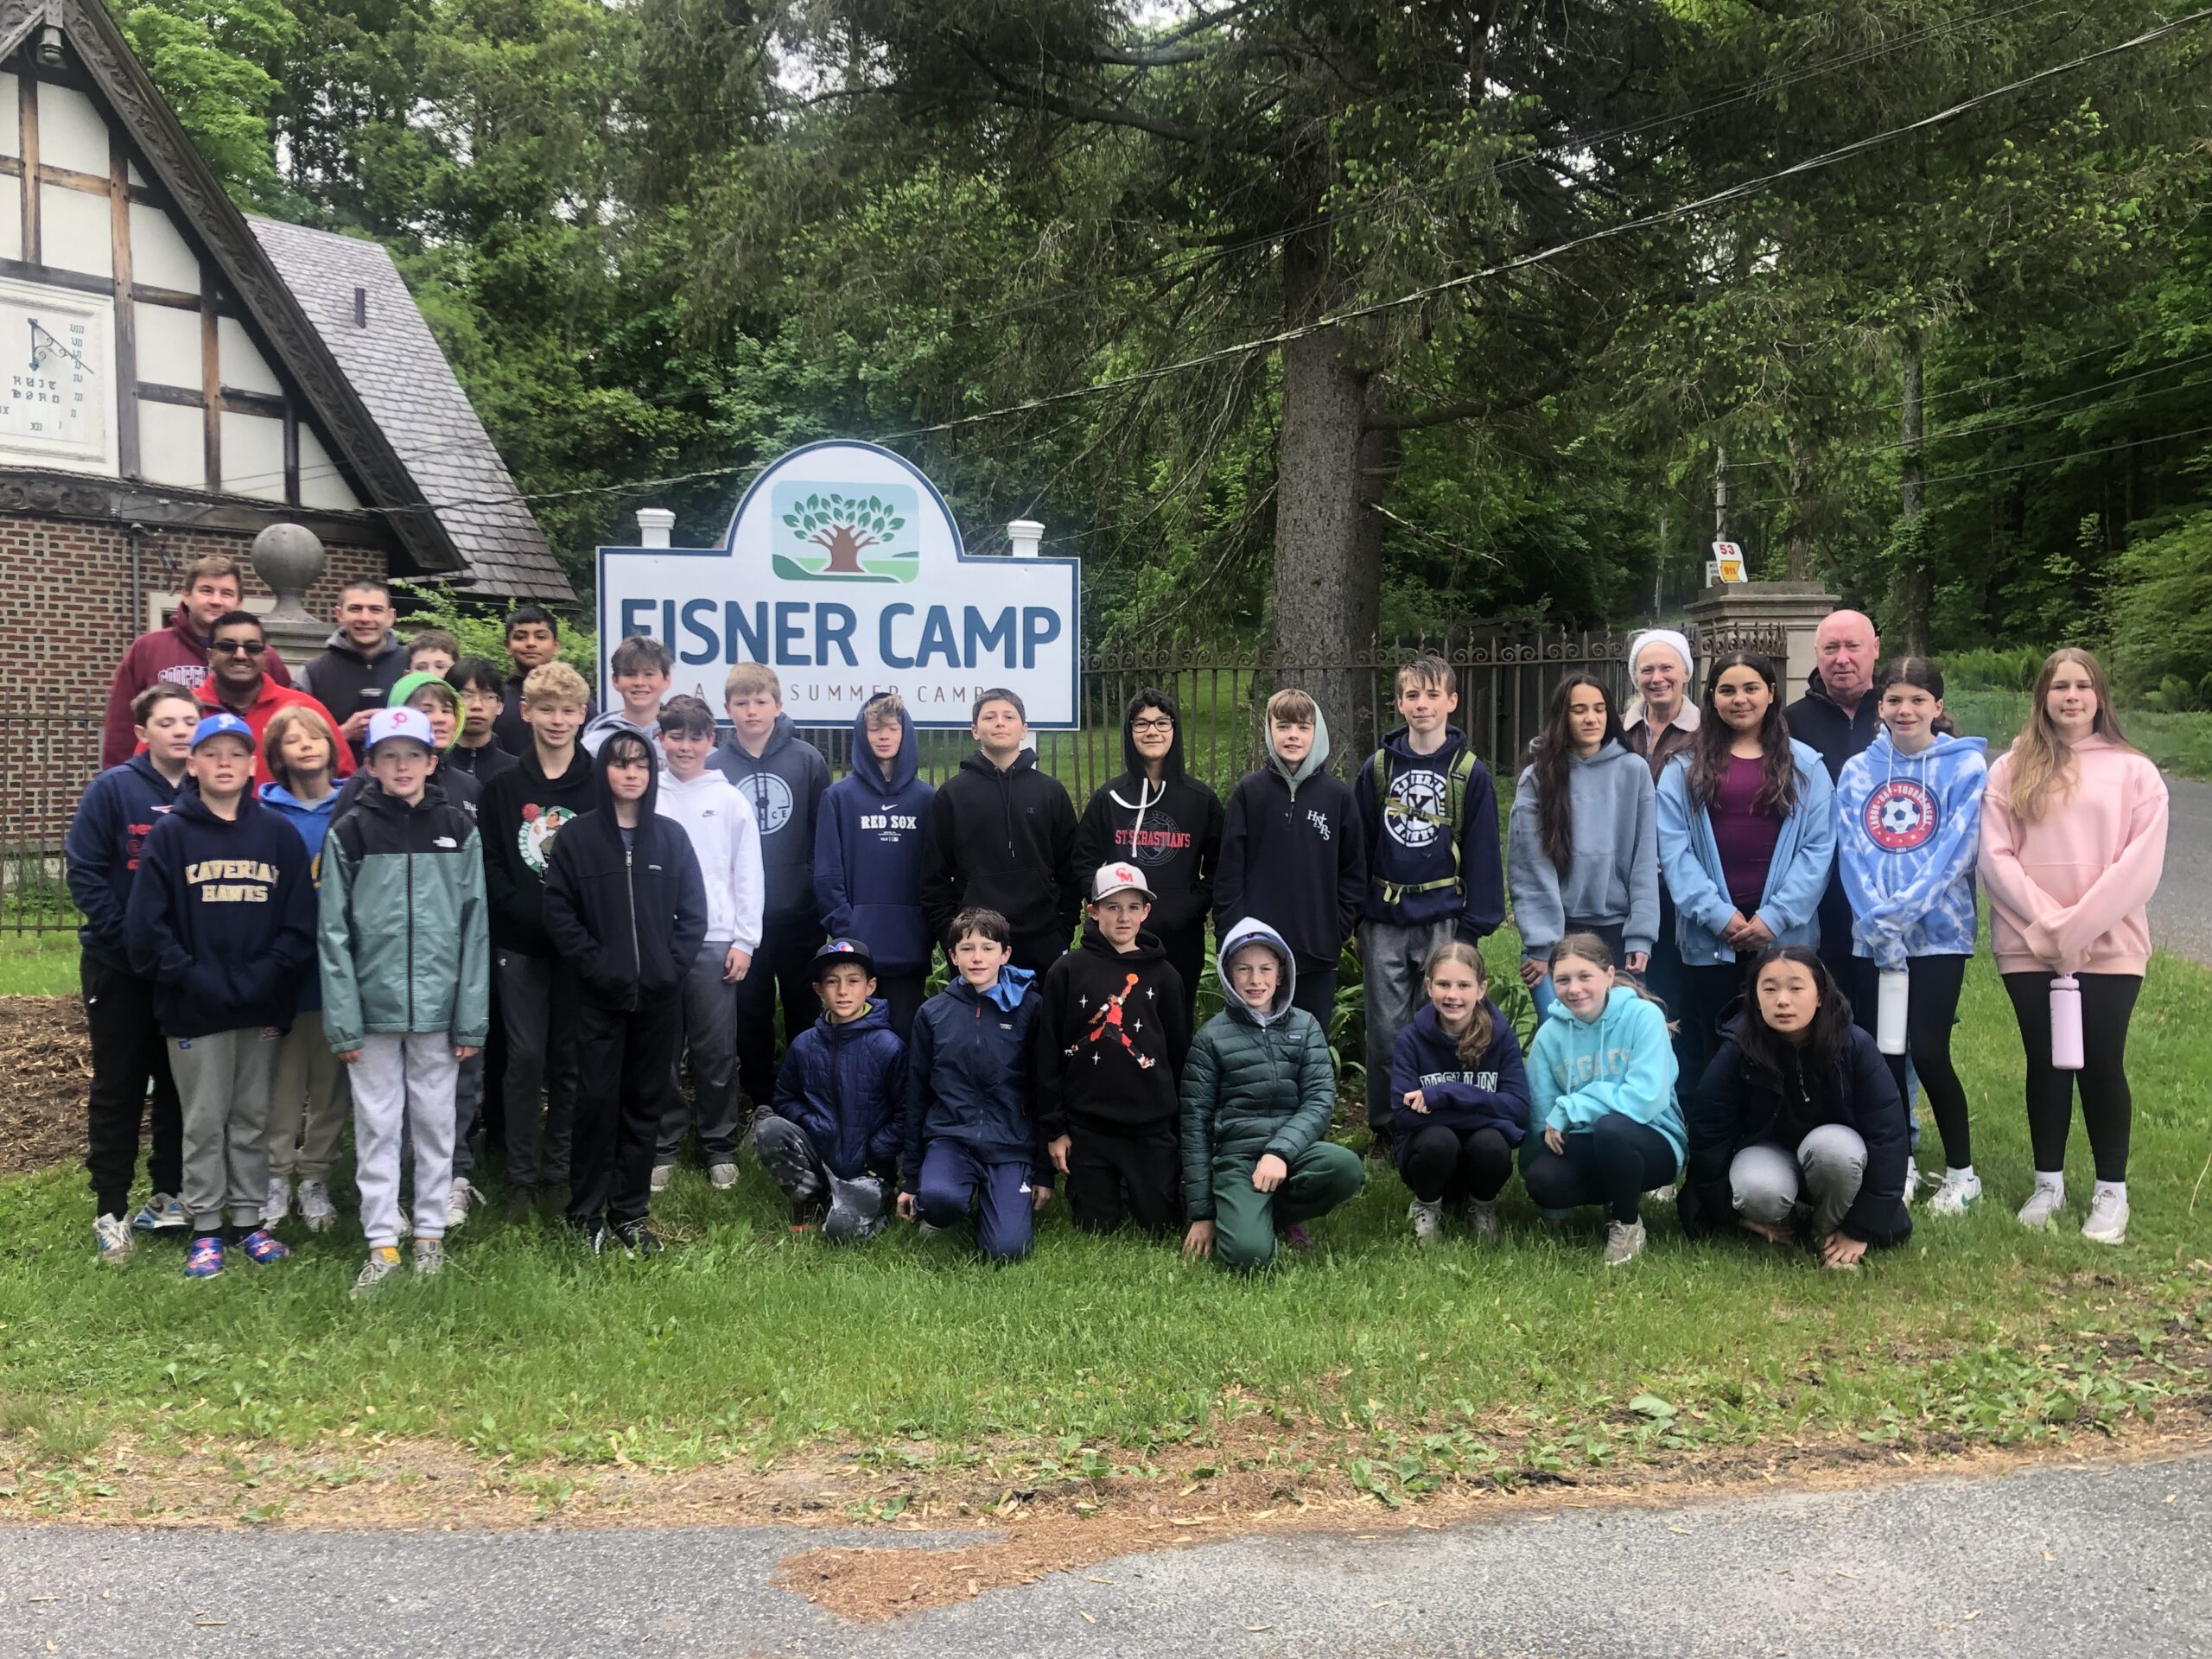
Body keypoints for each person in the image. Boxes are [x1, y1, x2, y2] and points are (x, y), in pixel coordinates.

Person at [1979, 647, 2168, 1246]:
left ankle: (2111, 1192)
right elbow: (1996, 857)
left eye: (2082, 686)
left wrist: (2075, 930)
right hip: (2028, 944)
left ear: (2099, 696)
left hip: (2110, 945)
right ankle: (2048, 1184)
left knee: (2101, 1062)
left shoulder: (2135, 771)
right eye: (2060, 686)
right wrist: (2048, 927)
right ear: (2043, 696)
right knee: (2047, 1061)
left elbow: (2139, 866)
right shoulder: (2011, 768)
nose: (2071, 697)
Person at [124, 711, 317, 1278]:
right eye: (212, 753)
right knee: (205, 1119)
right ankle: (206, 1226)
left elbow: (299, 921)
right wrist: (194, 977)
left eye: (236, 753)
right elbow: (147, 928)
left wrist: (268, 973)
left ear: (254, 765)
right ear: (193, 764)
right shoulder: (171, 835)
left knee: (252, 1116)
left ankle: (249, 1221)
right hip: (194, 1007)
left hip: (260, 1004)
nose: (224, 763)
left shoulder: (277, 834)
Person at [317, 707, 491, 1293]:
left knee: (437, 1125)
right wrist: (344, 1020)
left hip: (440, 1010)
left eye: (412, 755)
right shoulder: (351, 833)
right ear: (371, 765)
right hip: (372, 1010)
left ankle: (431, 1237)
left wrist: (470, 1017)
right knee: (377, 1126)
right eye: (388, 756)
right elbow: (333, 933)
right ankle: (382, 1242)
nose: (401, 766)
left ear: (431, 762)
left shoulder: (458, 830)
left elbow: (475, 926)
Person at [542, 730, 709, 1255]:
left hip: (657, 1000)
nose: (631, 773)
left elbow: (693, 914)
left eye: (640, 764)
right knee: (594, 1104)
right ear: (604, 772)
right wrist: (596, 965)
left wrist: (669, 968)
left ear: (651, 773)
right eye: (620, 764)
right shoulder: (578, 838)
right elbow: (559, 912)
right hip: (597, 998)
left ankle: (630, 1213)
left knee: (644, 1104)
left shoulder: (671, 838)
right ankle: (585, 1213)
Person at [1834, 658, 1987, 1216]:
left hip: (1940, 934)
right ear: (1880, 706)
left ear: (1937, 707)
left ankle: (1962, 1174)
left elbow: (1957, 849)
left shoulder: (1965, 766)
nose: (1906, 710)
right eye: (1895, 699)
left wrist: (1902, 912)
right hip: (1873, 935)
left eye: (1918, 700)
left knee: (1928, 1049)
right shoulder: (1858, 771)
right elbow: (1850, 849)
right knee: (1883, 1053)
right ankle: (1897, 1163)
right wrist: (1878, 919)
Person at [66, 683, 196, 1257]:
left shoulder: (206, 791)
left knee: (178, 1085)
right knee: (118, 1086)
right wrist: (133, 941)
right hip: (118, 966)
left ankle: (168, 1195)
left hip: (182, 970)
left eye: (189, 720)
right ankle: (111, 1209)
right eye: (167, 722)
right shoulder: (112, 790)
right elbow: (86, 872)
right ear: (143, 732)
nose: (181, 731)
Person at [1656, 651, 1835, 1065]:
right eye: (1728, 690)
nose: (1740, 699)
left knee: (1787, 1044)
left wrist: (1776, 917)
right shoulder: (1682, 768)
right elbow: (1674, 849)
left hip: (1785, 933)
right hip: (1712, 935)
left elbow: (1819, 849)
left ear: (1771, 693)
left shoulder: (1807, 766)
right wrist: (1716, 915)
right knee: (1720, 1048)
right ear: (1712, 699)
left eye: (1751, 688)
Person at [1681, 946, 1912, 1267]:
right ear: (1755, 997)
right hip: (1767, 1153)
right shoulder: (1738, 1048)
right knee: (1756, 1187)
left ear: (1820, 996)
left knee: (1835, 1149)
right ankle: (1780, 1223)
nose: (1782, 1001)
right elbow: (1708, 1132)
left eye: (1796, 988)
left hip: (1834, 1154)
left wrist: (1862, 1227)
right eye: (1770, 989)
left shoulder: (1855, 1045)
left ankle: (1828, 1231)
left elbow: (1889, 1137)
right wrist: (1730, 1213)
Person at [1354, 655, 1504, 1143]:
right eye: (1412, 695)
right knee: (1385, 1031)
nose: (1422, 704)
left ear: (1451, 702)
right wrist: (1358, 918)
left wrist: (1472, 929)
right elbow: (1358, 849)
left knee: (1441, 1022)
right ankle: (1388, 1124)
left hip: (1444, 919)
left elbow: (1484, 853)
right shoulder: (1378, 769)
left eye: (1433, 694)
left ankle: (1438, 1116)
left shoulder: (1468, 773)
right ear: (1399, 703)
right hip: (1385, 919)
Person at [480, 660, 598, 1219]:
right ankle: (521, 1176)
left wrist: (575, 923)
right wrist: (533, 914)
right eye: (546, 709)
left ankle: (560, 1170)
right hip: (520, 944)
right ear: (525, 712)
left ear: (582, 715)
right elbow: (492, 864)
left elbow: (607, 862)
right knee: (525, 1058)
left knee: (569, 1060)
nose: (557, 720)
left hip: (579, 946)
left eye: (567, 710)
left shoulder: (598, 784)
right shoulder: (502, 787)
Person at [1179, 917, 1365, 1269]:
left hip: (1292, 1154)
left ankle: (1278, 1215)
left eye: (1266, 969)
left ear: (1281, 974)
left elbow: (1319, 1099)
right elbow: (1194, 1124)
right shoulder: (1210, 1038)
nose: (1255, 980)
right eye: (1244, 969)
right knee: (1248, 1256)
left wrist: (1280, 1151)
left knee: (1345, 1168)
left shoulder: (1305, 1026)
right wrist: (1202, 1213)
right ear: (1228, 974)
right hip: (1237, 1160)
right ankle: (1243, 1215)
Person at [1035, 863, 1193, 1236]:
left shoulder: (1166, 976)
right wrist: (1056, 1130)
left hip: (1149, 1127)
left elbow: (1180, 1055)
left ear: (1146, 911)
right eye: (1113, 907)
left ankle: (1141, 1183)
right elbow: (1047, 1056)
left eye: (1133, 907)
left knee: (1160, 1226)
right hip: (1089, 1128)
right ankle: (1104, 1186)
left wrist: (1180, 1133)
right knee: (1095, 1227)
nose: (1124, 917)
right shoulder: (1066, 971)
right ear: (1093, 911)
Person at [896, 906, 1052, 1262]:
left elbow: (1043, 1090)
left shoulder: (1030, 1009)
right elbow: (917, 1094)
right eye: (967, 949)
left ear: (1005, 954)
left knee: (1007, 1250)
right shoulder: (932, 1013)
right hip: (951, 1139)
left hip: (1009, 1143)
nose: (977, 957)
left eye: (987, 948)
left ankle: (999, 1205)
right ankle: (945, 1206)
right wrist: (911, 1179)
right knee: (938, 1199)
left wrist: (1043, 1172)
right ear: (953, 956)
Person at [711, 663, 834, 1109]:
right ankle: (760, 1097)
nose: (752, 711)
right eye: (742, 703)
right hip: (743, 921)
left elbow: (823, 833)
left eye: (761, 702)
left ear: (778, 705)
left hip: (799, 914)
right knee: (750, 1011)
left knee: (805, 1008)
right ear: (728, 708)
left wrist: (811, 887)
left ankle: (806, 1094)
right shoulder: (715, 766)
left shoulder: (807, 760)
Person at [1520, 932, 1683, 1266]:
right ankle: (1614, 1192)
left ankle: (1627, 1223)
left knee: (1612, 1129)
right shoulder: (1550, 1034)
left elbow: (1646, 1097)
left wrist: (1574, 1106)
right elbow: (1541, 1113)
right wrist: (1551, 1207)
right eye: (1563, 980)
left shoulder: (1643, 1017)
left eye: (1585, 977)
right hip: (1587, 1141)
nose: (1574, 989)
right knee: (1542, 1179)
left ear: (1609, 975)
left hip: (1652, 1139)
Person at [655, 694, 764, 1190]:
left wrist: (745, 940)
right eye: (675, 736)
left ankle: (719, 1145)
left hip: (716, 941)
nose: (685, 746)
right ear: (661, 739)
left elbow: (748, 873)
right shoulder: (647, 795)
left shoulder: (730, 800)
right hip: (657, 941)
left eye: (695, 737)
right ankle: (663, 1144)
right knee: (661, 1049)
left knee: (715, 1051)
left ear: (710, 741)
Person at [1213, 688, 1366, 1031]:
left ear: (1317, 732)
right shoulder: (1249, 793)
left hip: (1316, 952)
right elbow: (1229, 874)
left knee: (1308, 1042)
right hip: (1257, 953)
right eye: (1283, 726)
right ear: (1270, 732)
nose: (1293, 735)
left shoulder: (1338, 798)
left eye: (1302, 727)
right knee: (1254, 1044)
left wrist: (1335, 929)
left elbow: (1353, 872)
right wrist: (1233, 936)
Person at [1072, 687, 1224, 1030]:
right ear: (1130, 732)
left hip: (1181, 938)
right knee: (1118, 1027)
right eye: (1141, 723)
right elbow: (1083, 863)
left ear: (1174, 730)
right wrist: (1111, 908)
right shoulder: (1109, 798)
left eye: (1161, 722)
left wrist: (1189, 906)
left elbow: (1221, 868)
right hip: (1120, 938)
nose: (1152, 731)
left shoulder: (1200, 800)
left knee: (1175, 1027)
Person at [1508, 673, 1658, 1020]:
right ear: (1563, 716)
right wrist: (1542, 944)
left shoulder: (1634, 771)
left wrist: (1641, 935)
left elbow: (1644, 859)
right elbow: (1529, 866)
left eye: (1599, 709)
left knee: (1619, 1036)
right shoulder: (1537, 777)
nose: (1591, 718)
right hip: (1559, 930)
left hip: (1618, 930)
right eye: (1579, 710)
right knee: (1562, 1036)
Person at [257, 703, 350, 1235]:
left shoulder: (354, 806)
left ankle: (315, 1176)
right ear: (278, 755)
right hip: (285, 973)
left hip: (336, 973)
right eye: (293, 740)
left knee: (330, 1083)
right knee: (283, 1084)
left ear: (331, 746)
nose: (306, 746)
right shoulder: (264, 814)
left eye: (315, 736)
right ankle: (274, 1176)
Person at [919, 687, 1079, 976]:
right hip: (976, 947)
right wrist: (952, 937)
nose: (1000, 723)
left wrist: (1063, 930)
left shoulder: (1050, 792)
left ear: (1024, 729)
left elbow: (1071, 869)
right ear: (974, 730)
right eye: (989, 717)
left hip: (1043, 941)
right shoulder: (952, 795)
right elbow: (933, 877)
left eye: (1009, 716)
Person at [755, 938, 905, 1240]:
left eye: (853, 981)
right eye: (832, 982)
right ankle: (812, 1199)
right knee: (770, 1128)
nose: (842, 991)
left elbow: (906, 1112)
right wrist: (812, 1124)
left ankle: (876, 1200)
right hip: (820, 1157)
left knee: (839, 1231)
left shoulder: (889, 1047)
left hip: (868, 1168)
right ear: (819, 990)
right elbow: (785, 1098)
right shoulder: (804, 1045)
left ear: (870, 987)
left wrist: (876, 1150)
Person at [1390, 939, 1529, 1246]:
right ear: (1429, 987)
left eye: (1464, 985)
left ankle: (1481, 1206)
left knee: (1492, 1143)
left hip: (1482, 1164)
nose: (1453, 995)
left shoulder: (1502, 1038)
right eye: (1443, 984)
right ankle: (1427, 1205)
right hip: (1429, 1160)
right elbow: (1403, 1116)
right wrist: (1489, 1114)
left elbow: (1519, 1109)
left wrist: (1446, 1094)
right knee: (1440, 1139)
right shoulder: (1410, 1040)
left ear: (1481, 990)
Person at [816, 691, 937, 1037]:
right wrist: (846, 925)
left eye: (892, 728)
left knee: (903, 1034)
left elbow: (937, 873)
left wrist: (925, 927)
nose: (884, 736)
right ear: (862, 734)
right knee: (856, 1036)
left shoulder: (928, 799)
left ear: (905, 733)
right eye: (875, 729)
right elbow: (827, 873)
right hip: (857, 947)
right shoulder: (838, 798)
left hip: (909, 945)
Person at [100, 553, 291, 768]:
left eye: (226, 593)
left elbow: (286, 716)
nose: (216, 601)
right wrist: (118, 780)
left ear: (239, 603)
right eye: (206, 590)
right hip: (167, 777)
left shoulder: (261, 656)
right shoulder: (148, 649)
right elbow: (122, 726)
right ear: (186, 595)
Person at [1620, 628, 1704, 1080]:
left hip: (1680, 884)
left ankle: (1682, 1089)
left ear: (1686, 672)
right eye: (1646, 669)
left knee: (1677, 992)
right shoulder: (1618, 729)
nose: (1657, 678)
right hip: (1627, 884)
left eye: (1667, 667)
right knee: (1629, 990)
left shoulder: (1707, 731)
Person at [1785, 610, 1883, 984]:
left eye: (1852, 646)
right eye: (1831, 648)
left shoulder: (1902, 716)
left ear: (1875, 649)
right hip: (1818, 891)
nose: (1842, 658)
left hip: (1887, 887)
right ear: (1816, 653)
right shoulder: (1788, 724)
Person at [194, 611, 354, 789]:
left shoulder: (304, 707)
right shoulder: (188, 711)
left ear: (265, 657)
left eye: (252, 647)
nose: (240, 655)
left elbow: (346, 779)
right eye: (227, 646)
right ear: (210, 655)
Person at [327, 673, 482, 823]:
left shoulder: (468, 785)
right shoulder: (364, 781)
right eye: (426, 711)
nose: (440, 719)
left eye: (446, 711)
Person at [292, 578, 408, 755]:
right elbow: (293, 740)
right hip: (338, 772)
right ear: (340, 614)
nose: (365, 618)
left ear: (390, 617)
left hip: (404, 769)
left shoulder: (413, 665)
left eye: (375, 610)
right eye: (355, 609)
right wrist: (343, 733)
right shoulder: (312, 674)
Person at [492, 606, 589, 754]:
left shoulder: (577, 699)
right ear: (508, 646)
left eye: (541, 637)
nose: (531, 643)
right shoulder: (495, 701)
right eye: (520, 637)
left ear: (556, 645)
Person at [582, 634, 671, 756]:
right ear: (615, 681)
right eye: (630, 674)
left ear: (667, 680)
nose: (639, 682)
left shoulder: (683, 742)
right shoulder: (593, 745)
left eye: (649, 674)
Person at [445, 658, 518, 785]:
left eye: (488, 696)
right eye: (465, 695)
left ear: (500, 706)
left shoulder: (517, 771)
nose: (477, 705)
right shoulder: (432, 766)